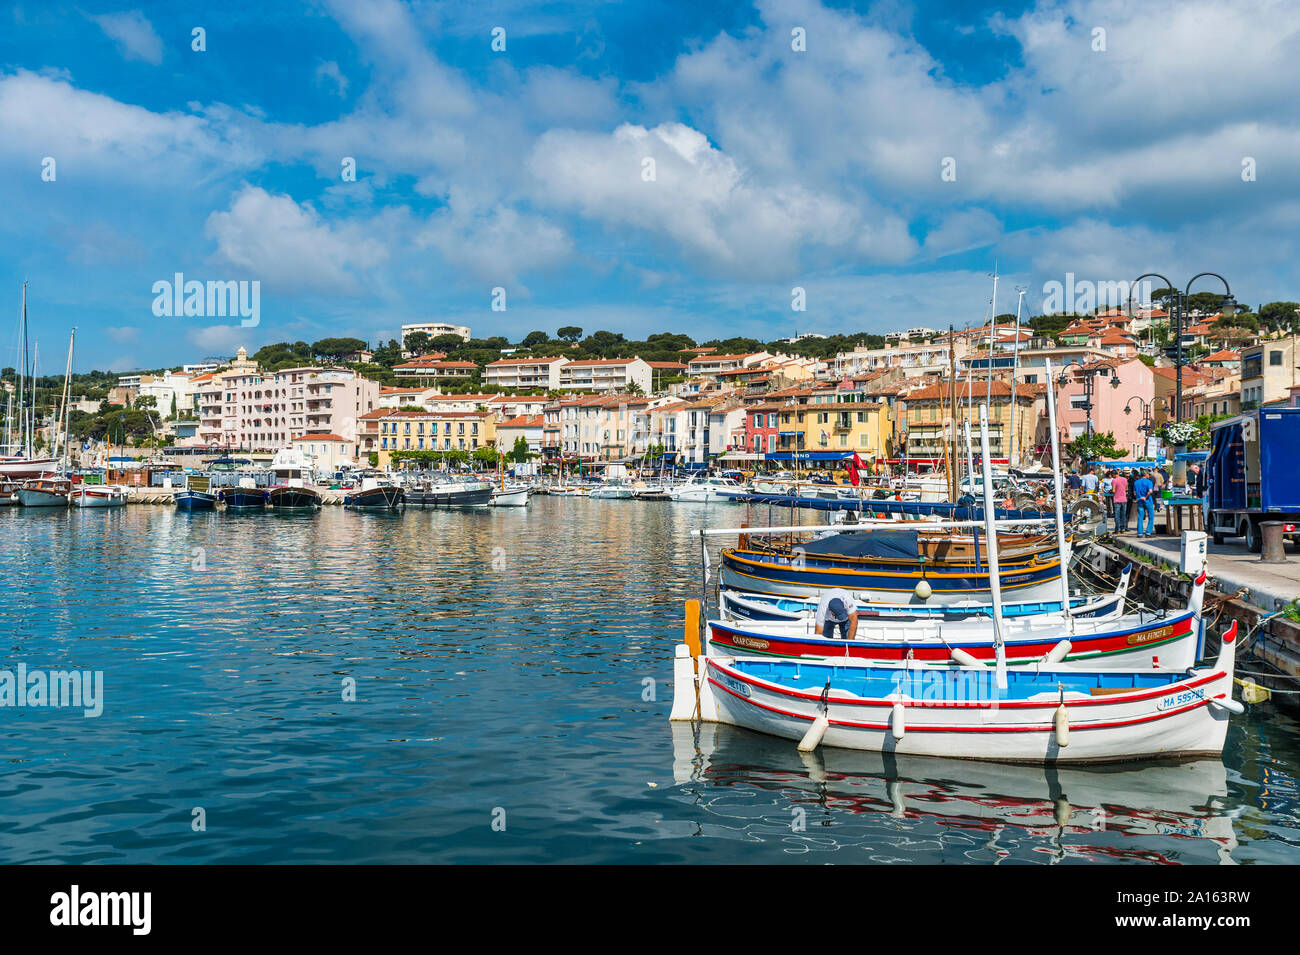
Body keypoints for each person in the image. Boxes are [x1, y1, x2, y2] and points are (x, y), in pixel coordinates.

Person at [1134, 469, 1156, 537]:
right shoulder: (1149, 482)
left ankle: (1140, 533)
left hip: (1139, 501)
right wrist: (1145, 497)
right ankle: (1148, 532)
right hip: (1148, 501)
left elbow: (1134, 493)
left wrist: (1139, 497)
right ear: (1146, 474)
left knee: (1140, 517)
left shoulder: (1136, 482)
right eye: (1148, 474)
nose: (1149, 475)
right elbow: (1150, 491)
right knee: (1151, 517)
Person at [1112, 469, 1129, 534]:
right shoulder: (1125, 479)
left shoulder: (1114, 480)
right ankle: (1123, 529)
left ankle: (1118, 529)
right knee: (1123, 515)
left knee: (1117, 515)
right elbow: (1126, 489)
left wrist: (1111, 491)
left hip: (1117, 499)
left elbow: (1113, 490)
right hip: (1124, 499)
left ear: (1113, 474)